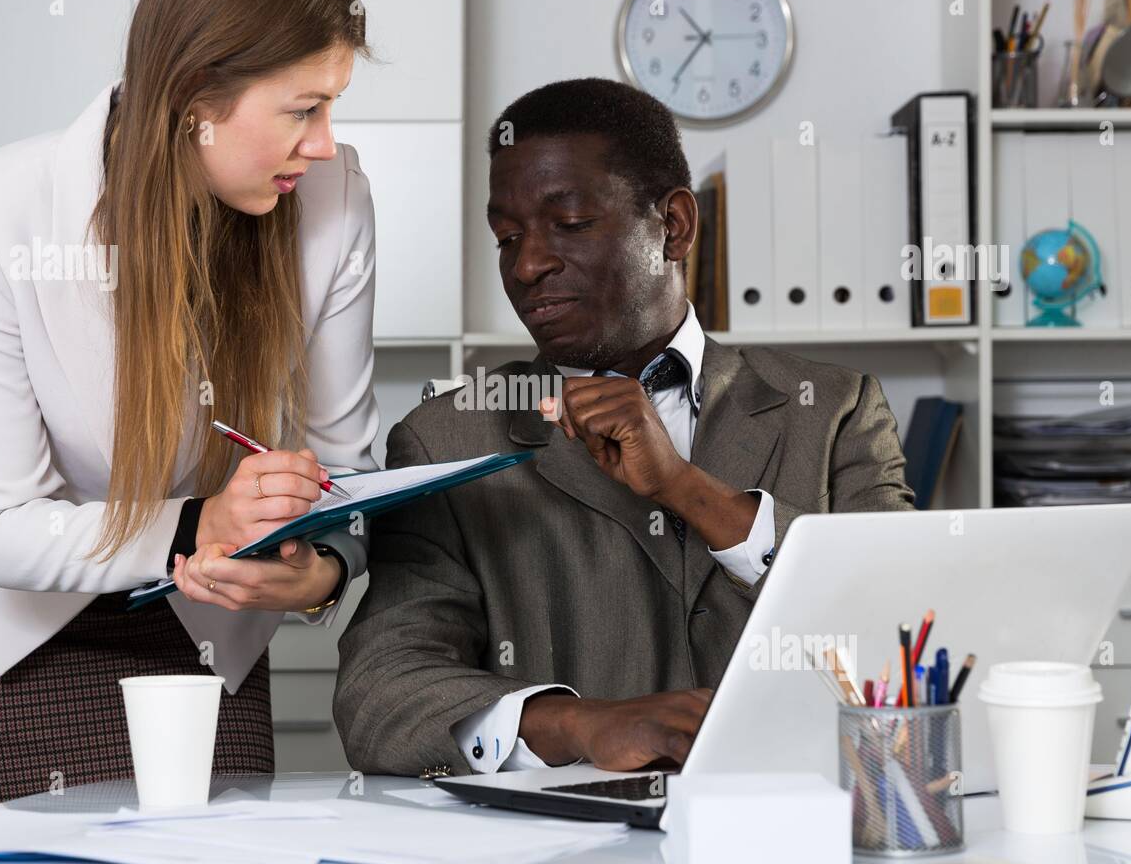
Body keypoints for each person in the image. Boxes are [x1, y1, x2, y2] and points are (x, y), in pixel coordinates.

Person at [0, 0, 380, 807]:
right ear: (198, 95)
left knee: (215, 860)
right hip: (19, 609)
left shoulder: (336, 200)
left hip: (206, 611)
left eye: (332, 106)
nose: (323, 142)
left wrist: (318, 573)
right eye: (303, 108)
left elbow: (346, 476)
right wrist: (201, 522)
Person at [334, 77, 914, 778]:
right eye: (507, 237)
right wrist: (580, 722)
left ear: (673, 225)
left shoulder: (834, 409)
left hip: (797, 845)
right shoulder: (447, 438)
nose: (526, 264)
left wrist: (690, 491)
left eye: (570, 224)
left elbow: (902, 634)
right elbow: (381, 692)